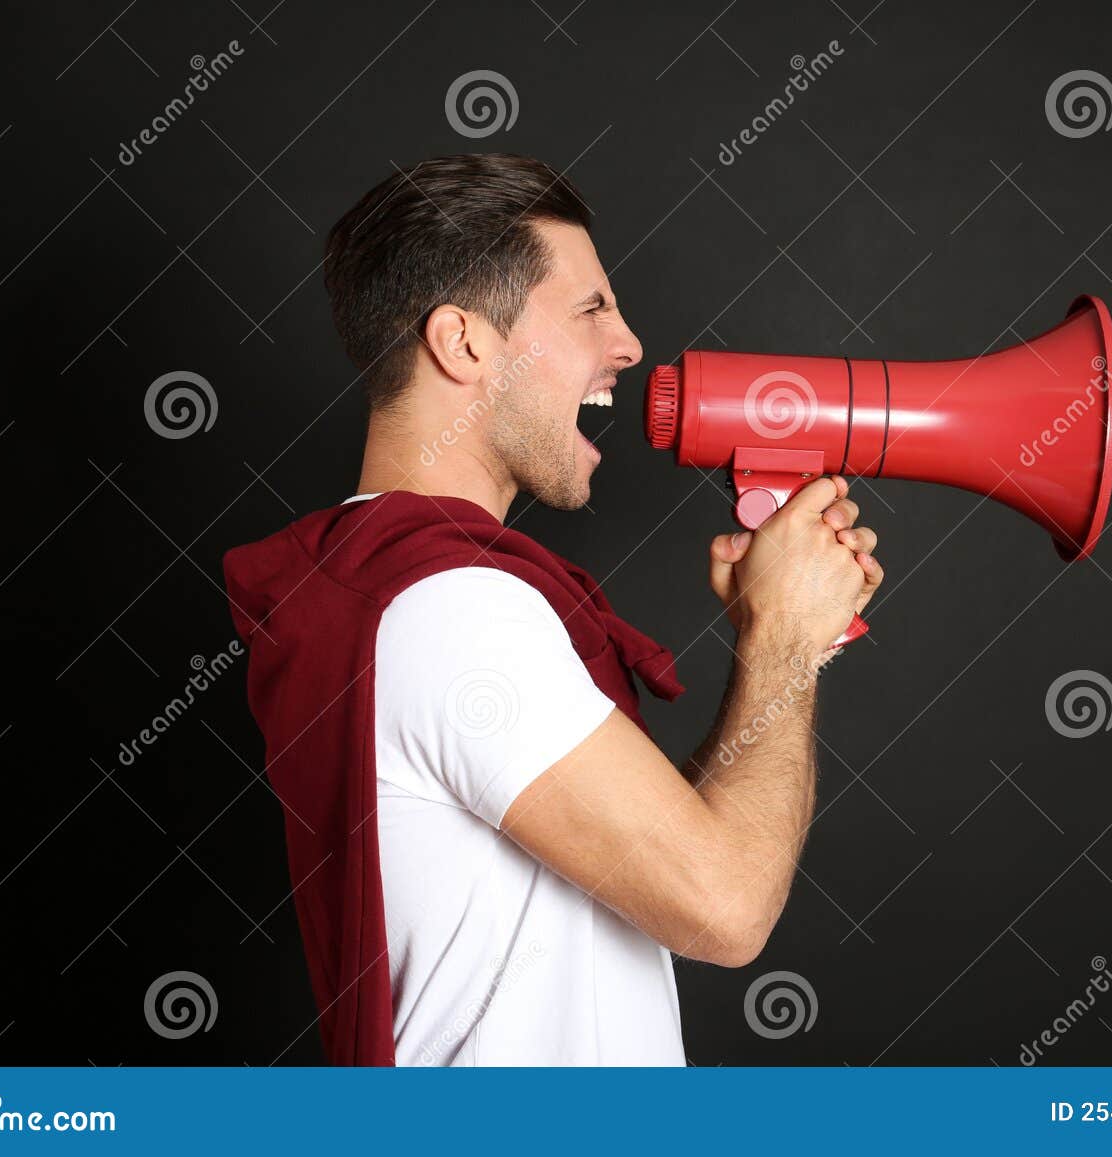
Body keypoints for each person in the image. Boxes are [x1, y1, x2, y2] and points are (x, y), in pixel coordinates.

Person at [222, 153, 882, 1066]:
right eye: (590, 310)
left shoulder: (392, 588)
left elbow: (652, 854)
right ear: (463, 342)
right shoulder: (452, 609)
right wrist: (786, 641)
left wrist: (774, 639)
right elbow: (724, 906)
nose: (629, 345)